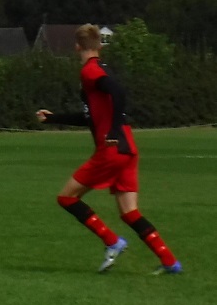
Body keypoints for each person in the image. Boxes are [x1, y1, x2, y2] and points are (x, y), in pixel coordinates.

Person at [36, 24, 181, 274]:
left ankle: (112, 241)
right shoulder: (100, 69)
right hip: (128, 148)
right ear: (100, 45)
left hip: (111, 149)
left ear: (77, 47)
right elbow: (91, 117)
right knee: (129, 212)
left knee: (66, 197)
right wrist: (53, 118)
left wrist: (112, 131)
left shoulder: (90, 71)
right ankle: (170, 262)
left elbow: (118, 91)